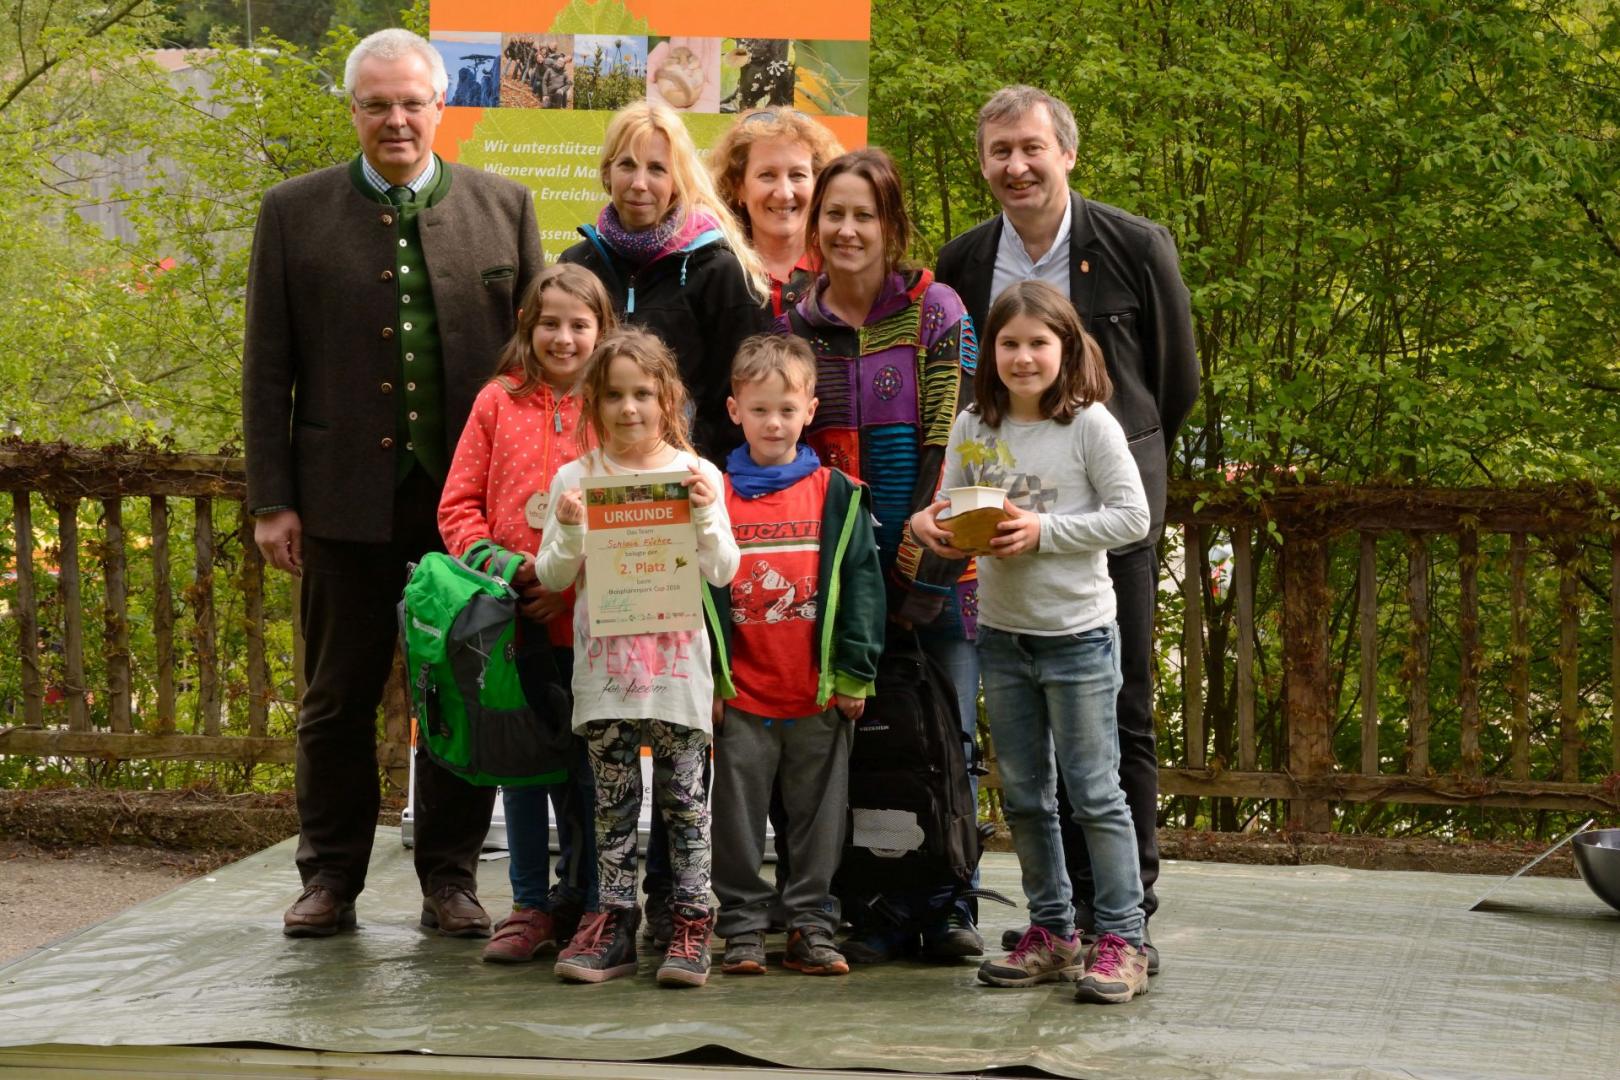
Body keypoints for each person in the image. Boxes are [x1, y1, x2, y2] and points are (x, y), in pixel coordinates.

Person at [244, 27, 543, 939]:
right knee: (336, 698)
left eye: (412, 102)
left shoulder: (504, 207)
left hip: (464, 511)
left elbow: (538, 368)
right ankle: (329, 877)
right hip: (339, 500)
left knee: (460, 687)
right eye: (377, 105)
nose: (397, 120)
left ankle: (450, 879)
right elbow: (266, 369)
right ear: (354, 111)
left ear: (441, 106)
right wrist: (273, 500)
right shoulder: (292, 212)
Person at [934, 86, 1198, 974]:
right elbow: (967, 387)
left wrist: (1091, 486)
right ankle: (1059, 922)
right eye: (1000, 151)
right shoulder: (964, 260)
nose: (1017, 165)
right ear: (984, 162)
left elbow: (1174, 382)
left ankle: (1125, 917)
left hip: (1108, 520)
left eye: (1032, 148)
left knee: (1120, 717)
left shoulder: (1135, 245)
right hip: (1004, 548)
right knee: (1029, 765)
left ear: (1067, 154)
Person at [912, 280, 1151, 1004]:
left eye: (1038, 343)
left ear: (1066, 348)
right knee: (1023, 797)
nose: (1022, 357)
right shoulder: (973, 425)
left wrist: (1043, 531)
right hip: (1002, 636)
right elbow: (951, 505)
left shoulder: (1090, 426)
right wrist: (929, 525)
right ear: (989, 351)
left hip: (1078, 637)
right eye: (1009, 343)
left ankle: (1123, 939)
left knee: (1094, 794)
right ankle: (1052, 931)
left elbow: (1132, 517)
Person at [778, 147, 982, 962]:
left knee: (946, 738)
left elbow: (953, 445)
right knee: (857, 749)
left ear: (891, 224)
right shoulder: (794, 324)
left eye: (865, 214)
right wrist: (856, 584)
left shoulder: (938, 311)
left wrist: (914, 575)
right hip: (835, 582)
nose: (848, 229)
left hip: (940, 571)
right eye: (834, 214)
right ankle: (874, 906)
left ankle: (951, 903)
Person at [536, 328, 740, 987]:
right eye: (614, 396)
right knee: (613, 805)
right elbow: (552, 575)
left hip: (677, 676)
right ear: (593, 402)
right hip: (605, 677)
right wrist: (571, 527)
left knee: (686, 803)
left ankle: (691, 922)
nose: (629, 409)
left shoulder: (697, 474)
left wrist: (704, 515)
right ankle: (615, 923)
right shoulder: (575, 479)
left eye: (643, 394)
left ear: (667, 398)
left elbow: (723, 570)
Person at [437, 264, 615, 962]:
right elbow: (458, 508)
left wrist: (568, 583)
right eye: (550, 324)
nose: (564, 338)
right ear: (526, 326)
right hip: (512, 625)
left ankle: (592, 903)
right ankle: (529, 905)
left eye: (579, 325)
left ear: (603, 330)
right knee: (522, 767)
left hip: (591, 624)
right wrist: (512, 570)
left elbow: (633, 514)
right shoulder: (496, 402)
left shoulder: (615, 407)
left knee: (590, 770)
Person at [707, 335, 885, 977]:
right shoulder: (713, 495)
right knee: (735, 823)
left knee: (819, 820)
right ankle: (743, 927)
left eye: (787, 409)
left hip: (817, 693)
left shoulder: (839, 494)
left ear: (810, 409)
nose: (774, 423)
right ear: (735, 410)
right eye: (759, 410)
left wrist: (855, 673)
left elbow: (864, 586)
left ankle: (810, 924)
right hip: (740, 696)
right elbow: (694, 594)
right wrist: (711, 681)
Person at [560, 100, 771, 463]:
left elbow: (741, 397)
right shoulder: (576, 266)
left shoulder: (719, 271)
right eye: (627, 165)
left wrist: (697, 470)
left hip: (686, 477)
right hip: (589, 473)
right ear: (607, 173)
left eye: (657, 169)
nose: (639, 184)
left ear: (677, 181)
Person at [709, 108, 845, 317]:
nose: (784, 193)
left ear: (818, 184)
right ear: (739, 186)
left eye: (797, 175)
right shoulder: (711, 276)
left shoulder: (845, 270)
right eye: (767, 175)